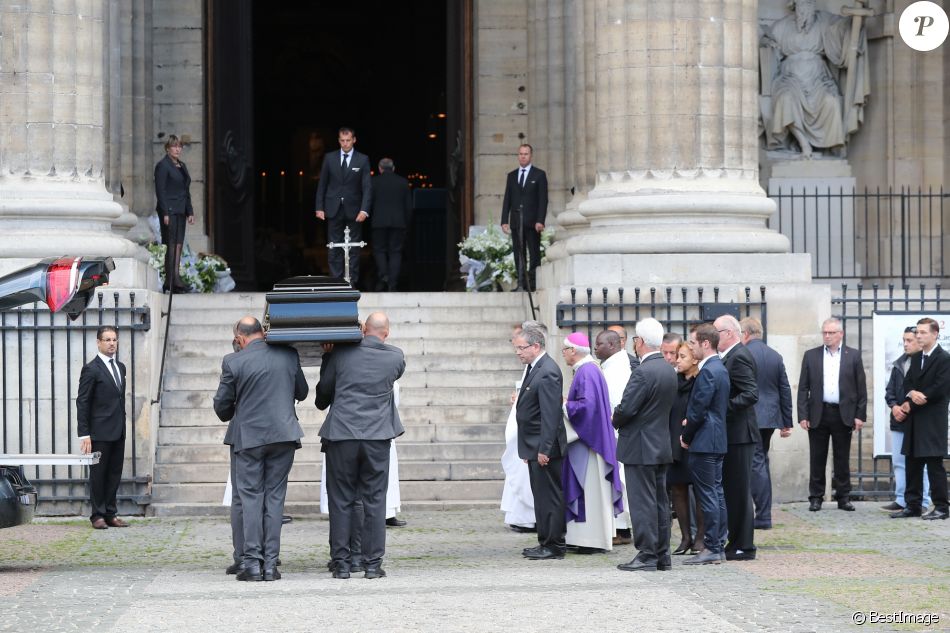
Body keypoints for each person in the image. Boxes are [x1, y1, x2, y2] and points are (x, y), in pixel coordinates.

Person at [212, 317, 307, 582]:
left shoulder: (234, 361)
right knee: (275, 499)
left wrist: (238, 408)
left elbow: (222, 408)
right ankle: (270, 565)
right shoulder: (289, 355)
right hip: (283, 435)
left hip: (250, 438)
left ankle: (252, 563)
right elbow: (302, 391)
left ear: (240, 338)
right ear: (262, 332)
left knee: (251, 498)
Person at [316, 312, 405, 579]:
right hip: (377, 437)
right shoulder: (396, 357)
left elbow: (322, 397)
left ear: (364, 329)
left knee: (341, 500)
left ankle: (342, 564)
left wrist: (328, 357)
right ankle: (372, 564)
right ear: (386, 332)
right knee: (375, 501)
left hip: (342, 435)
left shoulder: (341, 355)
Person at [759, 0, 867, 157]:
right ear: (794, 6)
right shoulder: (782, 26)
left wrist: (854, 21)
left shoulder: (823, 21)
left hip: (818, 79)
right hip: (790, 78)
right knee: (786, 98)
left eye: (809, 3)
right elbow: (767, 42)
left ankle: (831, 146)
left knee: (831, 102)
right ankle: (803, 143)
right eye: (802, 4)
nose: (806, 8)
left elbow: (842, 29)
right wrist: (767, 43)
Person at [612, 319, 677, 572]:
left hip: (640, 445)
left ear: (640, 342)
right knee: (660, 503)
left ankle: (648, 554)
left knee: (643, 503)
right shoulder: (667, 369)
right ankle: (662, 554)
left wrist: (615, 417)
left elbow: (627, 408)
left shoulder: (643, 372)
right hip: (660, 443)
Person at [561, 332, 623, 553]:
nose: (564, 354)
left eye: (564, 350)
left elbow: (587, 408)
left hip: (590, 444)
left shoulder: (586, 371)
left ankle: (591, 540)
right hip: (593, 441)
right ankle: (586, 539)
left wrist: (565, 406)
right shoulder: (589, 369)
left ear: (573, 351)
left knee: (589, 491)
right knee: (590, 490)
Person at [798, 317, 866, 512]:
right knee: (817, 457)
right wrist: (803, 415)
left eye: (831, 333)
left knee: (842, 458)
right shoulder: (811, 355)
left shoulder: (853, 356)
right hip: (818, 413)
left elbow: (861, 389)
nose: (827, 336)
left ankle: (843, 497)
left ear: (840, 334)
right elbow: (803, 388)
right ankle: (816, 497)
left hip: (843, 414)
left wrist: (860, 415)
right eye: (824, 333)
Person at [512, 322, 567, 560]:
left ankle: (554, 545)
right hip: (534, 445)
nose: (518, 353)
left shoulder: (548, 371)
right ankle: (545, 540)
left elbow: (551, 414)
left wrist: (544, 449)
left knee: (549, 497)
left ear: (536, 346)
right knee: (541, 496)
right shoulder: (536, 367)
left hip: (545, 447)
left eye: (521, 348)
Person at [891, 318, 950, 521]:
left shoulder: (944, 359)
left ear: (935, 334)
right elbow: (907, 384)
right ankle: (913, 505)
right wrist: (912, 392)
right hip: (915, 420)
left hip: (933, 420)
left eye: (923, 332)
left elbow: (940, 387)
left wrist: (917, 397)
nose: (919, 336)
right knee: (912, 464)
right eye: (918, 332)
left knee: (934, 465)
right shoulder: (916, 358)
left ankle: (941, 507)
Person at [681, 324, 730, 565]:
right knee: (716, 493)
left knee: (709, 495)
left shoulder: (710, 370)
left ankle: (712, 546)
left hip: (705, 440)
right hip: (715, 439)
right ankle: (718, 544)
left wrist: (686, 436)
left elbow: (698, 410)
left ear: (705, 344)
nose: (692, 348)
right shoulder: (718, 368)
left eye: (694, 343)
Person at [739, 317, 793, 531]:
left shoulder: (743, 354)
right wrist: (786, 421)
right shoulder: (775, 355)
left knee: (756, 463)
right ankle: (762, 513)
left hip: (751, 415)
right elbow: (784, 389)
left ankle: (762, 516)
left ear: (745, 333)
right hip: (770, 417)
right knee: (761, 460)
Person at [713, 315, 758, 561]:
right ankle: (736, 541)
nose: (713, 335)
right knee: (732, 491)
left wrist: (723, 407)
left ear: (729, 333)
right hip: (733, 434)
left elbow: (751, 393)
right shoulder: (729, 355)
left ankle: (744, 545)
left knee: (739, 491)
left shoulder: (739, 356)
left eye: (716, 331)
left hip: (740, 434)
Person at [76, 326, 129, 530]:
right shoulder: (91, 369)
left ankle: (110, 513)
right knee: (98, 474)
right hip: (98, 432)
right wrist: (84, 434)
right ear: (98, 342)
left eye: (114, 339)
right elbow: (82, 402)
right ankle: (97, 515)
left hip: (118, 431)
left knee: (114, 473)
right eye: (107, 340)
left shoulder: (121, 367)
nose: (111, 343)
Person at [314, 127, 373, 284]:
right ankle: (336, 282)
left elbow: (367, 187)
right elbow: (323, 184)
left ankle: (351, 282)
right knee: (333, 247)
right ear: (339, 140)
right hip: (333, 208)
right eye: (342, 140)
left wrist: (364, 209)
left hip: (355, 210)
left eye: (348, 140)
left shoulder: (362, 159)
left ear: (354, 140)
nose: (345, 144)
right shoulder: (329, 158)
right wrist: (319, 207)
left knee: (353, 248)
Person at [882, 326, 929, 512]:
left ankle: (924, 501)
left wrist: (908, 407)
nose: (906, 344)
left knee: (920, 462)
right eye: (904, 340)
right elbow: (890, 391)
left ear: (919, 341)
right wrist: (894, 407)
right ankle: (902, 499)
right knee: (899, 461)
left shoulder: (926, 364)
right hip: (899, 420)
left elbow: (927, 393)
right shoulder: (898, 364)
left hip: (918, 421)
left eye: (910, 340)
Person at [594, 329, 633, 544]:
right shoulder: (611, 365)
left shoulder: (617, 368)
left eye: (599, 344)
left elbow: (617, 404)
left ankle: (623, 528)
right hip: (612, 433)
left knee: (620, 481)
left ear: (612, 345)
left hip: (616, 434)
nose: (595, 347)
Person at [669, 341, 704, 555]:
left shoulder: (701, 380)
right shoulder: (673, 381)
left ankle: (700, 537)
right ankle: (685, 537)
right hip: (675, 440)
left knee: (700, 491)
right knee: (677, 489)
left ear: (695, 359)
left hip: (695, 441)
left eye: (682, 356)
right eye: (676, 356)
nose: (676, 360)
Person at [501, 324, 536, 532]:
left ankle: (530, 518)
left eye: (521, 345)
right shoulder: (530, 366)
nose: (517, 350)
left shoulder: (543, 367)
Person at [500, 144, 547, 291]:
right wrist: (504, 221)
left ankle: (532, 283)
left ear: (531, 155)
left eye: (526, 154)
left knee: (534, 254)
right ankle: (520, 282)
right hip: (516, 221)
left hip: (533, 222)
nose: (523, 156)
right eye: (520, 154)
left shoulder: (539, 175)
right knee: (518, 253)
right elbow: (507, 199)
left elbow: (543, 200)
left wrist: (540, 220)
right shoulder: (512, 176)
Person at [154, 134, 195, 293]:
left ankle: (175, 279)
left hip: (181, 210)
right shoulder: (163, 166)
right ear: (167, 148)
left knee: (178, 245)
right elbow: (160, 191)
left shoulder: (181, 165)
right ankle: (170, 281)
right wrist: (165, 212)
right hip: (169, 210)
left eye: (179, 146)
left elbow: (186, 190)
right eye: (174, 146)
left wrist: (189, 210)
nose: (177, 149)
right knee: (171, 245)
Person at [370, 158, 412, 291]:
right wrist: (407, 223)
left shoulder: (374, 182)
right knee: (395, 252)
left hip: (379, 222)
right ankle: (392, 283)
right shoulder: (403, 182)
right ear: (393, 168)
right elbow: (408, 207)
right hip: (398, 223)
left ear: (380, 168)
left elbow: (369, 204)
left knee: (379, 250)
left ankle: (384, 276)